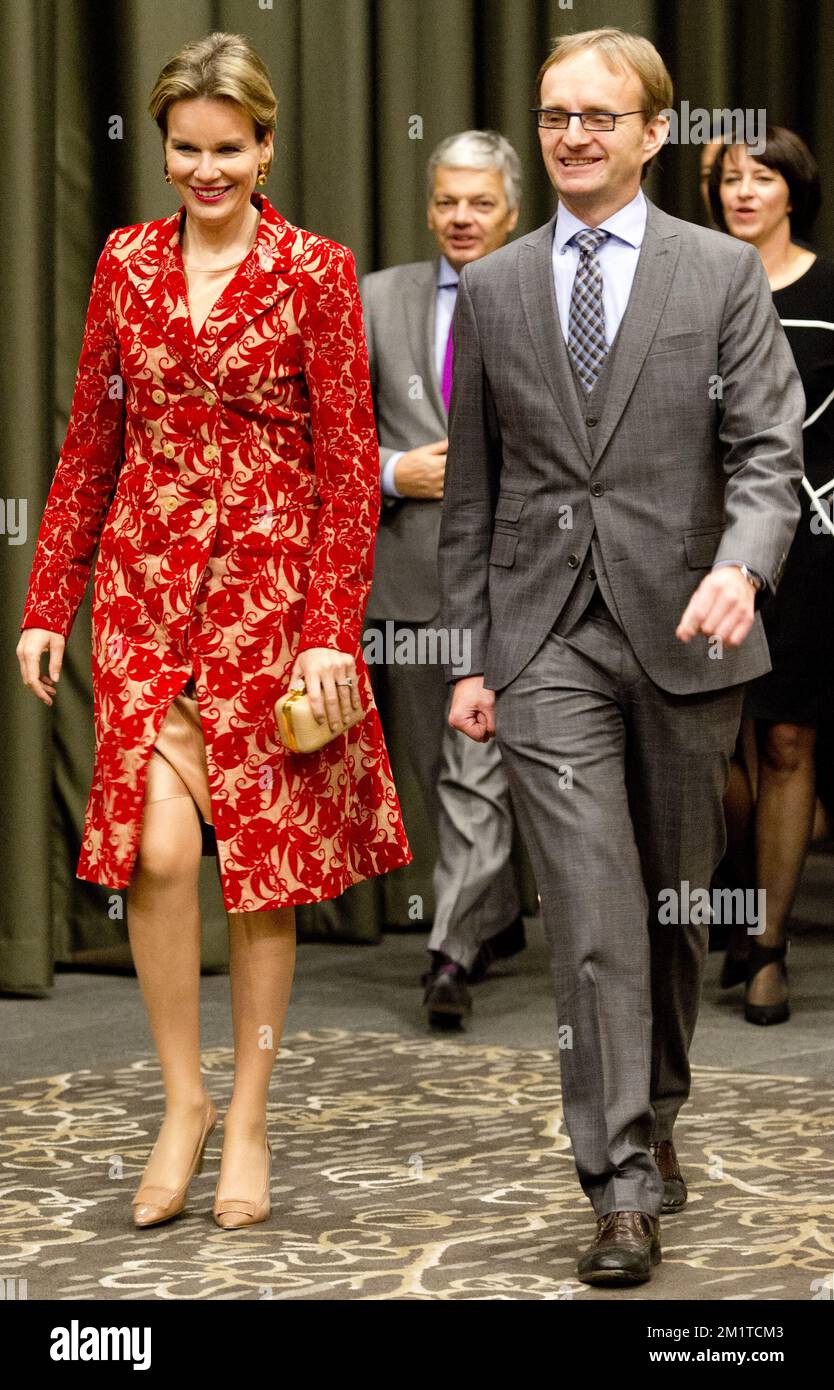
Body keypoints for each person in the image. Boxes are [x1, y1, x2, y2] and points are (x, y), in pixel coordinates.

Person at [16, 30, 411, 1231]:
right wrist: (47, 601)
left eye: (226, 148)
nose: (204, 169)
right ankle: (181, 1101)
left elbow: (350, 467)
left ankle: (247, 1115)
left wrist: (331, 628)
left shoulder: (316, 271)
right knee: (160, 853)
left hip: (269, 608)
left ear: (267, 142)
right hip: (142, 593)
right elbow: (91, 442)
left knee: (262, 875)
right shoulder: (127, 262)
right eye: (184, 149)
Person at [437, 26, 804, 1287]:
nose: (573, 135)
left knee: (666, 910)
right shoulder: (492, 290)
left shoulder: (719, 276)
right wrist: (475, 656)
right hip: (545, 641)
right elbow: (474, 494)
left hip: (692, 637)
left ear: (656, 132)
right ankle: (619, 1178)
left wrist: (741, 567)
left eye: (600, 116)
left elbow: (769, 454)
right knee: (593, 912)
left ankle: (660, 1101)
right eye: (555, 115)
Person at [360, 130, 529, 1029]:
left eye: (481, 204)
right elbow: (323, 442)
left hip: (518, 578)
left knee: (477, 762)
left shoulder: (544, 296)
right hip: (408, 581)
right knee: (438, 765)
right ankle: (494, 916)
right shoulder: (374, 300)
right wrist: (395, 472)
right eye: (447, 203)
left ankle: (450, 950)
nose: (461, 219)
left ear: (512, 211)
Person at [709, 128, 834, 1024]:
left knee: (788, 742)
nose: (744, 192)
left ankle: (768, 948)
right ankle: (729, 911)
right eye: (728, 179)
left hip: (815, 549)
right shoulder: (699, 280)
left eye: (762, 178)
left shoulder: (829, 288)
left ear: (795, 190)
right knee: (717, 748)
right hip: (709, 550)